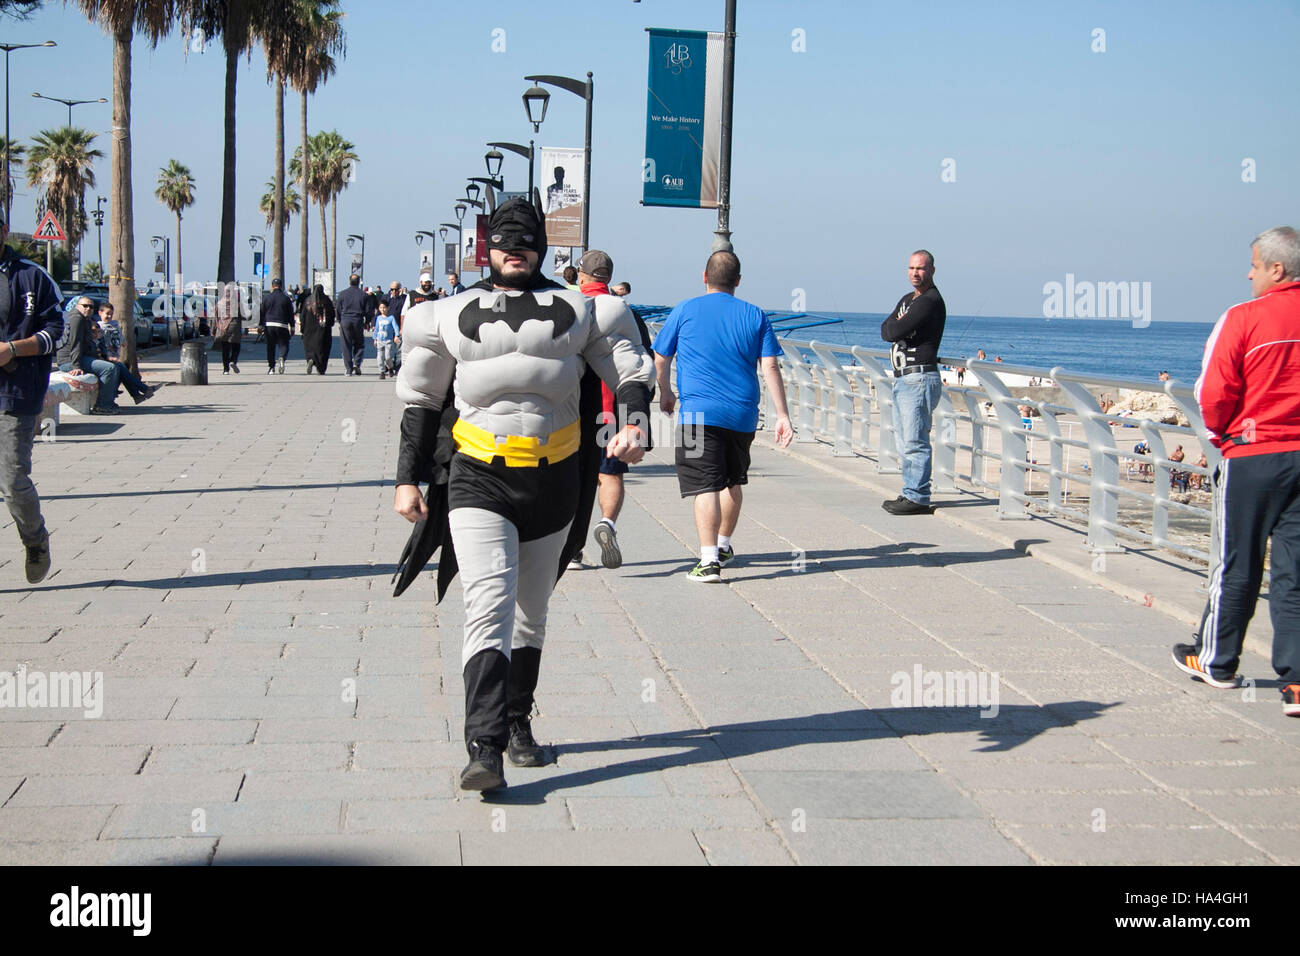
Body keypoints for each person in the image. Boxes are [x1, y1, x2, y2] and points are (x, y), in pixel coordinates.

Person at [393, 197, 653, 791]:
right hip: (478, 475)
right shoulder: (446, 315)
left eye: (527, 239)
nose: (516, 249)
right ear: (489, 248)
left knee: (531, 611)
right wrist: (407, 477)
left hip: (556, 474)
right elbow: (422, 401)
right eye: (505, 239)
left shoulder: (584, 311)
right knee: (488, 603)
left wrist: (634, 423)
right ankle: (482, 746)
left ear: (542, 245)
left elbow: (629, 369)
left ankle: (516, 722)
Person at [1176, 225, 1300, 717]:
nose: (1248, 273)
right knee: (1295, 573)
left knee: (1237, 563)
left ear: (1277, 268)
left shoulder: (1245, 317)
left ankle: (1218, 661)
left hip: (1254, 454)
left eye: (1254, 264)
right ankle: (1296, 682)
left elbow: (1214, 393)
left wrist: (1224, 438)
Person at [653, 250, 794, 582]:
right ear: (738, 281)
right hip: (742, 413)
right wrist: (783, 415)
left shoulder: (685, 309)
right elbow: (770, 365)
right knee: (731, 481)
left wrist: (665, 392)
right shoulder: (755, 314)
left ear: (704, 276)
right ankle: (724, 545)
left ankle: (708, 561)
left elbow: (660, 357)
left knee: (705, 486)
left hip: (696, 414)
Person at [571, 249, 652, 570]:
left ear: (581, 276)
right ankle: (607, 523)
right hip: (613, 413)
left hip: (574, 410)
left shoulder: (570, 309)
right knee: (610, 475)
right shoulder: (626, 312)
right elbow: (642, 359)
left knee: (574, 478)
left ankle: (572, 547)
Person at [0, 209, 63, 583]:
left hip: (15, 393)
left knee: (12, 480)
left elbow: (57, 330)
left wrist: (12, 349)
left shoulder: (31, 276)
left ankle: (35, 539)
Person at [879, 249, 946, 515]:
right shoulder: (909, 299)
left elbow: (895, 330)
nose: (915, 273)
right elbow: (886, 328)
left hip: (919, 378)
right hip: (903, 379)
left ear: (931, 270)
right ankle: (910, 490)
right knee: (904, 440)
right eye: (911, 268)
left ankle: (918, 496)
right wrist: (898, 323)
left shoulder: (929, 301)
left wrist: (900, 323)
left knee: (915, 441)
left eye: (920, 268)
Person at [56, 296, 155, 411]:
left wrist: (103, 358)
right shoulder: (76, 318)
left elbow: (89, 346)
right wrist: (76, 366)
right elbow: (75, 343)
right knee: (109, 368)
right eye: (85, 306)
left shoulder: (86, 320)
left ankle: (138, 394)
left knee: (118, 366)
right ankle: (103, 406)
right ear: (77, 306)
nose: (88, 308)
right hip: (70, 361)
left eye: (91, 306)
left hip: (81, 358)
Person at [258, 277, 294, 374]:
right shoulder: (286, 299)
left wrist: (260, 326)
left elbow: (261, 312)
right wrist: (293, 326)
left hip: (269, 325)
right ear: (281, 286)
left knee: (270, 347)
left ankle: (271, 368)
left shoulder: (267, 298)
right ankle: (282, 357)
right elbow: (290, 314)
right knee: (284, 344)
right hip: (282, 325)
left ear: (272, 286)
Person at [336, 273, 368, 376]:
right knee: (359, 343)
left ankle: (348, 368)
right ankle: (357, 364)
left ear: (349, 281)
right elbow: (368, 310)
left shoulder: (342, 294)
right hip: (358, 320)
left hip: (345, 320)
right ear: (359, 282)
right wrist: (367, 322)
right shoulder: (363, 295)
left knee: (346, 344)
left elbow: (338, 309)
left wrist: (339, 320)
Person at [301, 284, 334, 374]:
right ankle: (321, 368)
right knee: (323, 349)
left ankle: (311, 359)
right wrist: (330, 325)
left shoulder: (308, 301)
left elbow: (303, 316)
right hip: (323, 331)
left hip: (309, 330)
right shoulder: (327, 301)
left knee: (310, 347)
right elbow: (332, 316)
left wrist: (302, 329)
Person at [213, 282, 243, 375]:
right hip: (235, 327)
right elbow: (244, 315)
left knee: (225, 348)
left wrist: (213, 329)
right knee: (236, 346)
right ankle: (233, 360)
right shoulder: (237, 304)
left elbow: (215, 317)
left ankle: (226, 370)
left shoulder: (219, 303)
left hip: (222, 328)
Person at [373, 299, 400, 379]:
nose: (382, 309)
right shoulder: (378, 318)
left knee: (388, 357)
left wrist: (396, 335)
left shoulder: (391, 318)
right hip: (380, 340)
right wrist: (375, 339)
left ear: (388, 308)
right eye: (381, 308)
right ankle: (382, 371)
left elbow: (396, 327)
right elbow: (377, 329)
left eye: (384, 307)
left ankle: (390, 368)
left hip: (388, 341)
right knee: (380, 357)